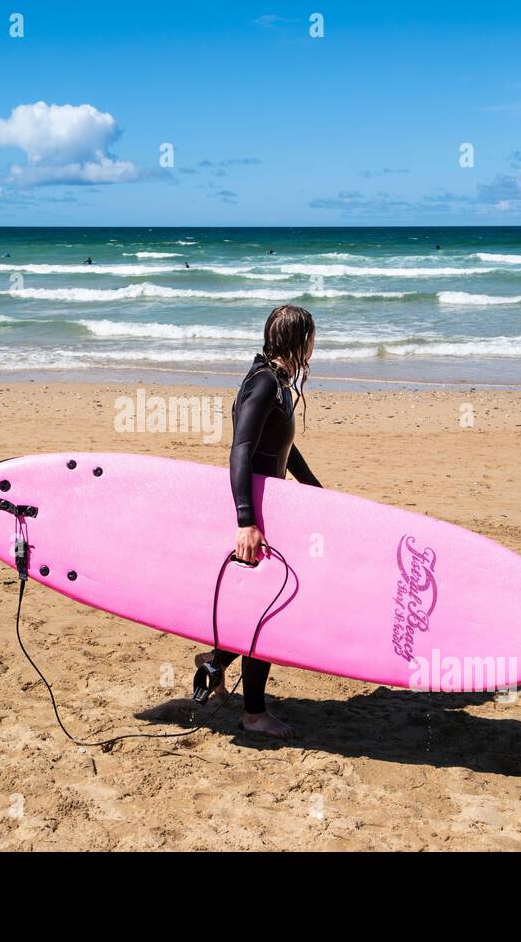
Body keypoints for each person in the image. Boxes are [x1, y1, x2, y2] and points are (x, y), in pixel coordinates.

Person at [197, 304, 319, 739]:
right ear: (296, 340)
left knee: (261, 607)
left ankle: (215, 663)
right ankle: (253, 714)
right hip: (260, 513)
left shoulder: (278, 382)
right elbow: (242, 448)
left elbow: (284, 443)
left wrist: (315, 489)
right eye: (311, 336)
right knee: (267, 614)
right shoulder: (265, 383)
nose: (314, 345)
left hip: (275, 506)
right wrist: (246, 520)